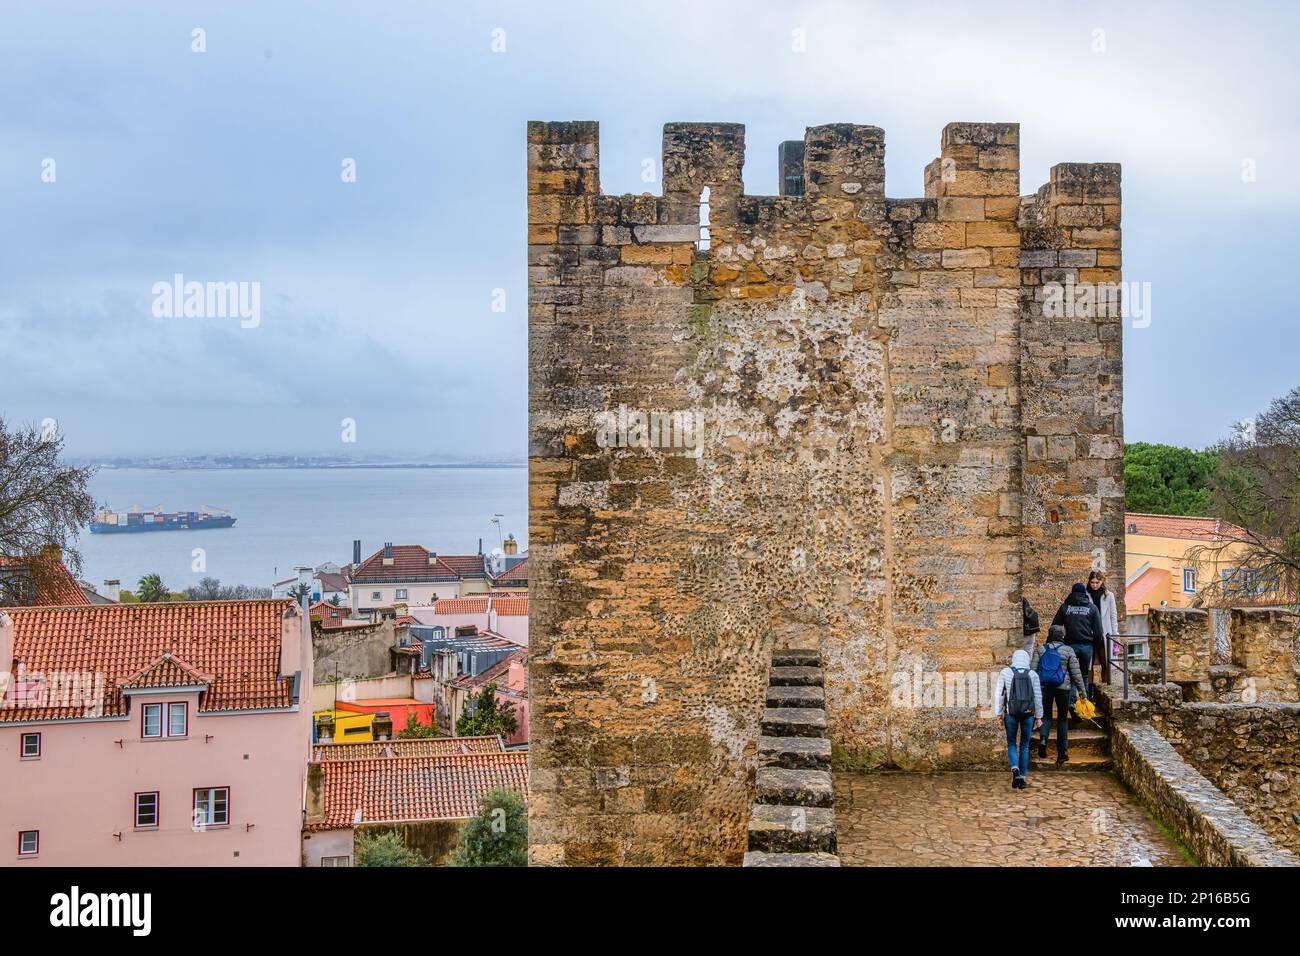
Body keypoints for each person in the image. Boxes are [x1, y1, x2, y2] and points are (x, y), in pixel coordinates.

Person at [1031, 624, 1087, 765]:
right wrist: (1082, 692)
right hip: (1063, 688)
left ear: (1049, 635)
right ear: (1062, 636)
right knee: (1062, 719)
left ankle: (1043, 740)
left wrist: (1032, 690)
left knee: (1046, 715)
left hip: (1045, 687)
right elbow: (1076, 673)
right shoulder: (1068, 650)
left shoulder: (1041, 649)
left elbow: (1033, 670)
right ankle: (1062, 753)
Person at [993, 648, 1042, 789]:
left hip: (1011, 713)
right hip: (1028, 714)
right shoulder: (1033, 675)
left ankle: (1015, 770)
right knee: (1025, 745)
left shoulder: (1006, 672)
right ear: (1027, 660)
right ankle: (1022, 778)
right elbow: (1038, 697)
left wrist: (999, 713)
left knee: (1012, 743)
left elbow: (999, 695)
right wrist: (1039, 716)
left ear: (1013, 659)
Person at [1052, 582, 1106, 695]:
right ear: (1084, 593)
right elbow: (1098, 632)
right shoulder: (1092, 608)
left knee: (1071, 674)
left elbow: (1055, 627)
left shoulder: (1065, 607)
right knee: (1084, 675)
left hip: (1070, 645)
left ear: (1072, 592)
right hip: (1087, 646)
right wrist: (1094, 647)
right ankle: (1084, 700)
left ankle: (1071, 701)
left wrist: (1059, 643)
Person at [1087, 570, 1119, 679]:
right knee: (1089, 664)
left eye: (1097, 582)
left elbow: (1113, 616)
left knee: (1105, 662)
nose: (1095, 585)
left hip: (1104, 632)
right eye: (1092, 582)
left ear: (1102, 581)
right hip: (1089, 632)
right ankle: (1089, 688)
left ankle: (1105, 685)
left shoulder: (1109, 595)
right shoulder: (1085, 595)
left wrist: (1115, 635)